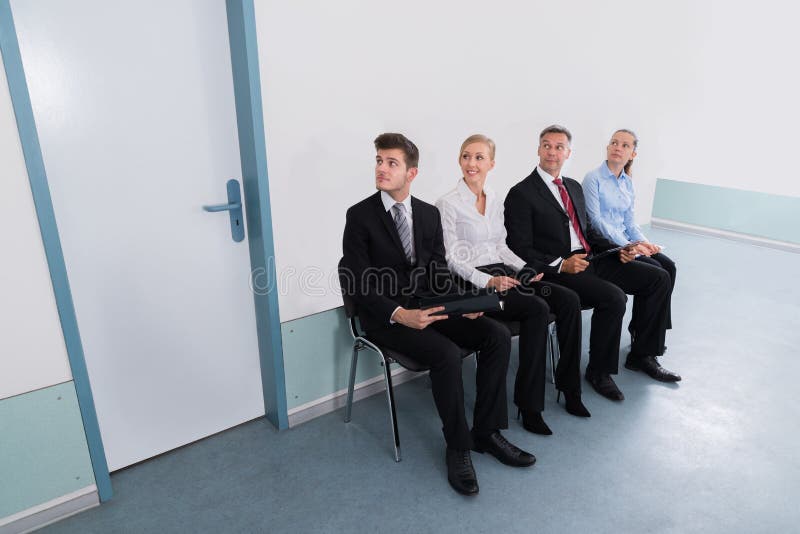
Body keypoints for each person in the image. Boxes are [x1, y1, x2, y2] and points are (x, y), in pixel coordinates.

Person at [342, 133, 535, 497]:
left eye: (392, 163)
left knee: (495, 335)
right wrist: (400, 314)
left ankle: (487, 432)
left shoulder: (428, 214)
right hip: (386, 319)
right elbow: (360, 285)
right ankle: (458, 448)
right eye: (379, 161)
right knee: (445, 354)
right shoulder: (360, 216)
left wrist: (465, 306)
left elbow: (438, 273)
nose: (382, 168)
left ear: (411, 173)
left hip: (428, 304)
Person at [504, 125, 679, 404]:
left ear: (568, 153)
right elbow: (519, 246)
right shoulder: (521, 193)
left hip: (594, 257)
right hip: (562, 268)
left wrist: (620, 249)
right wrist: (561, 264)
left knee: (658, 278)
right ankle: (599, 371)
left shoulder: (573, 186)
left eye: (559, 147)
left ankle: (643, 354)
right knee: (614, 298)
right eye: (547, 145)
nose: (552, 152)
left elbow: (589, 232)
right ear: (538, 150)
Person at [435, 134, 590, 437]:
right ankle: (530, 406)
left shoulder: (494, 197)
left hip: (502, 270)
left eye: (479, 157)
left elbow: (501, 246)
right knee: (536, 308)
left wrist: (527, 269)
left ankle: (570, 388)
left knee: (568, 300)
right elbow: (451, 259)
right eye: (466, 156)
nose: (471, 163)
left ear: (491, 164)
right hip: (471, 280)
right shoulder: (447, 204)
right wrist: (489, 281)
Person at [582, 129, 676, 342]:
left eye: (625, 145)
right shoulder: (593, 179)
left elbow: (630, 222)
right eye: (614, 143)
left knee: (669, 266)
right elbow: (596, 222)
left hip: (626, 242)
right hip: (608, 247)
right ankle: (646, 337)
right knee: (658, 273)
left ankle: (644, 329)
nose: (618, 147)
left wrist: (645, 243)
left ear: (633, 154)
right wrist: (629, 245)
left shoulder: (627, 182)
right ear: (607, 147)